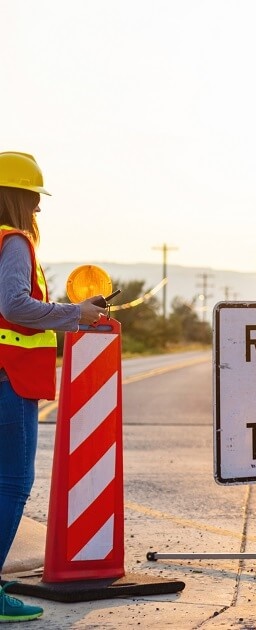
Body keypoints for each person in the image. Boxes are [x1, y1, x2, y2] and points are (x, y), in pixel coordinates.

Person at [0, 152, 106, 623]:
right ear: (16, 198)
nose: (38, 210)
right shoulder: (15, 242)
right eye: (33, 199)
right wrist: (75, 315)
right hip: (10, 379)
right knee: (11, 486)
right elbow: (16, 306)